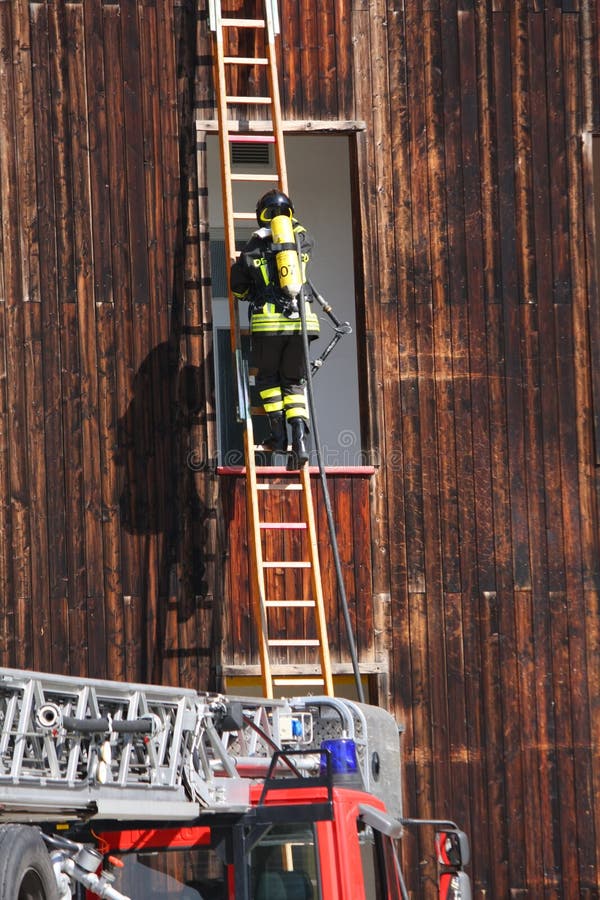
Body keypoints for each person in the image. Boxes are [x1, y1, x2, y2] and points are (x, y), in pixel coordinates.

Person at [230, 189, 320, 465]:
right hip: (301, 324)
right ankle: (300, 442)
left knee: (268, 380)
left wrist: (255, 294)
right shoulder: (302, 242)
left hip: (268, 325)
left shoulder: (254, 246)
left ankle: (278, 437)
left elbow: (237, 287)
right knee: (293, 383)